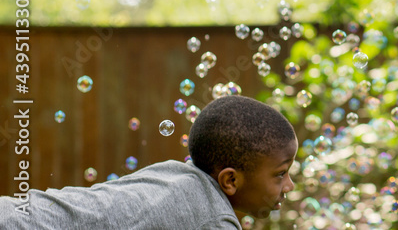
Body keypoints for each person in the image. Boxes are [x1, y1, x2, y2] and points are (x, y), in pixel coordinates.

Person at [0, 95, 297, 229]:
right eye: (280, 173)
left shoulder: (173, 174)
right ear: (230, 180)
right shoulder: (213, 220)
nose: (289, 184)